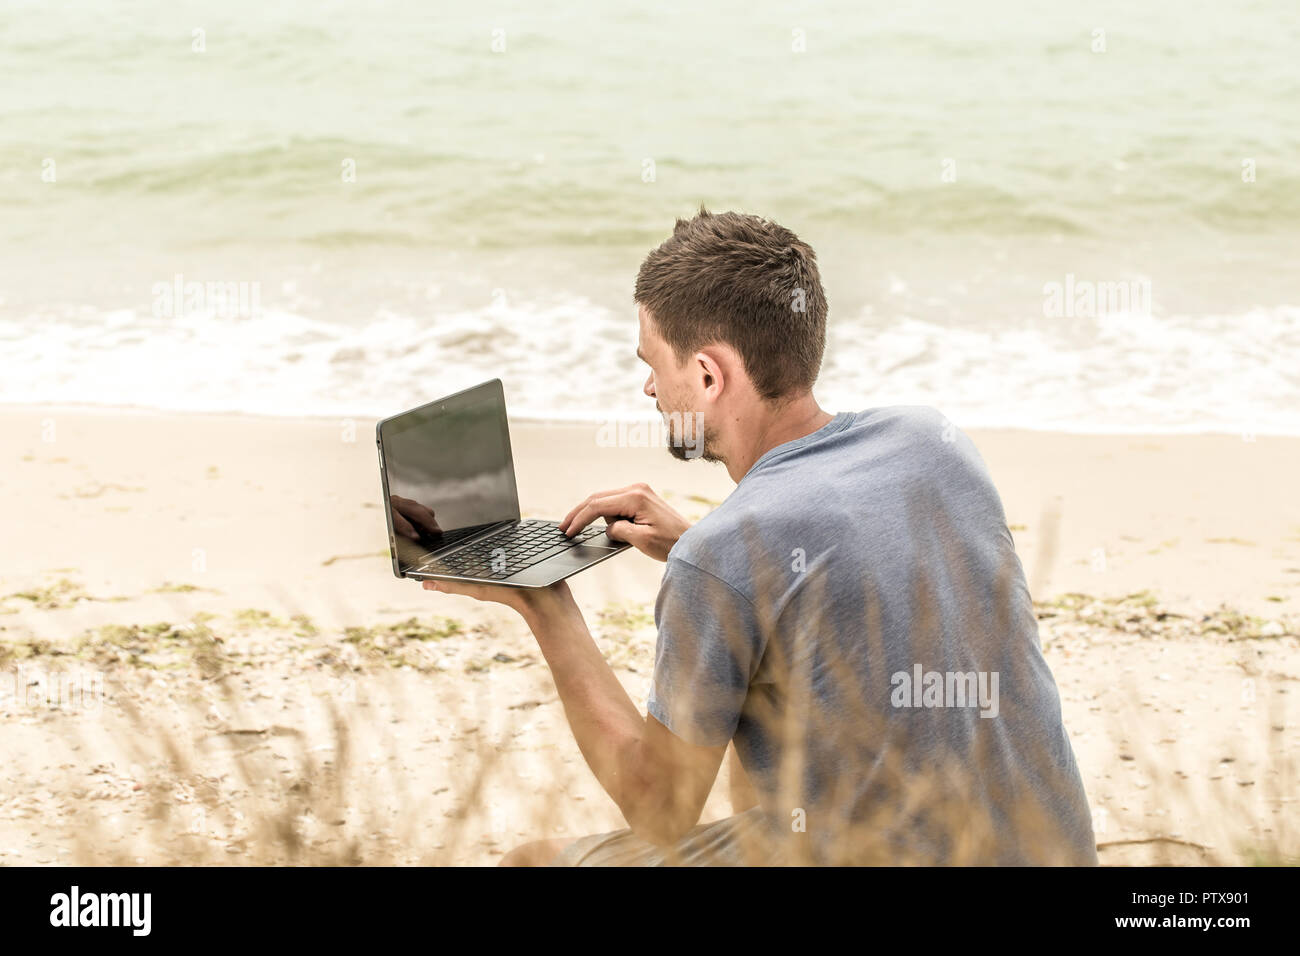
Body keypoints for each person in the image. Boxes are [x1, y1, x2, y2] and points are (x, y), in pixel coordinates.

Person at [423, 208, 1098, 866]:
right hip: (1051, 850)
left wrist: (547, 605)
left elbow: (660, 809)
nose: (649, 388)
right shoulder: (935, 443)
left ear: (710, 375)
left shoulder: (723, 559)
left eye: (656, 363)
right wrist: (713, 554)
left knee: (531, 861)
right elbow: (855, 568)